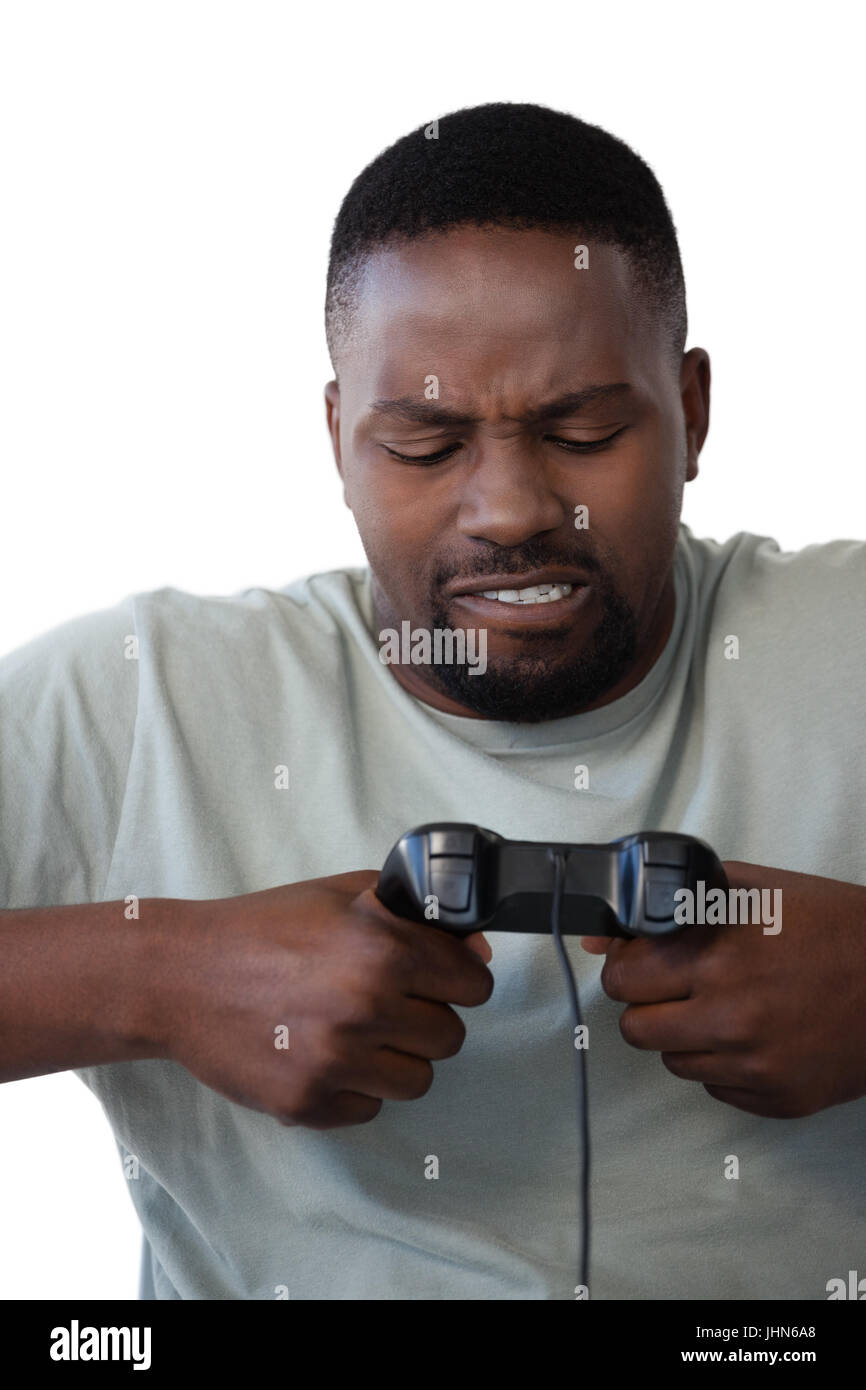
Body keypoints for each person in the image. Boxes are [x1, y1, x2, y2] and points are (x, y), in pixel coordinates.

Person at [1, 101, 864, 1302]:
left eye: (583, 428)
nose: (509, 509)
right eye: (423, 444)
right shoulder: (137, 702)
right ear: (338, 437)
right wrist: (159, 973)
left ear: (693, 413)